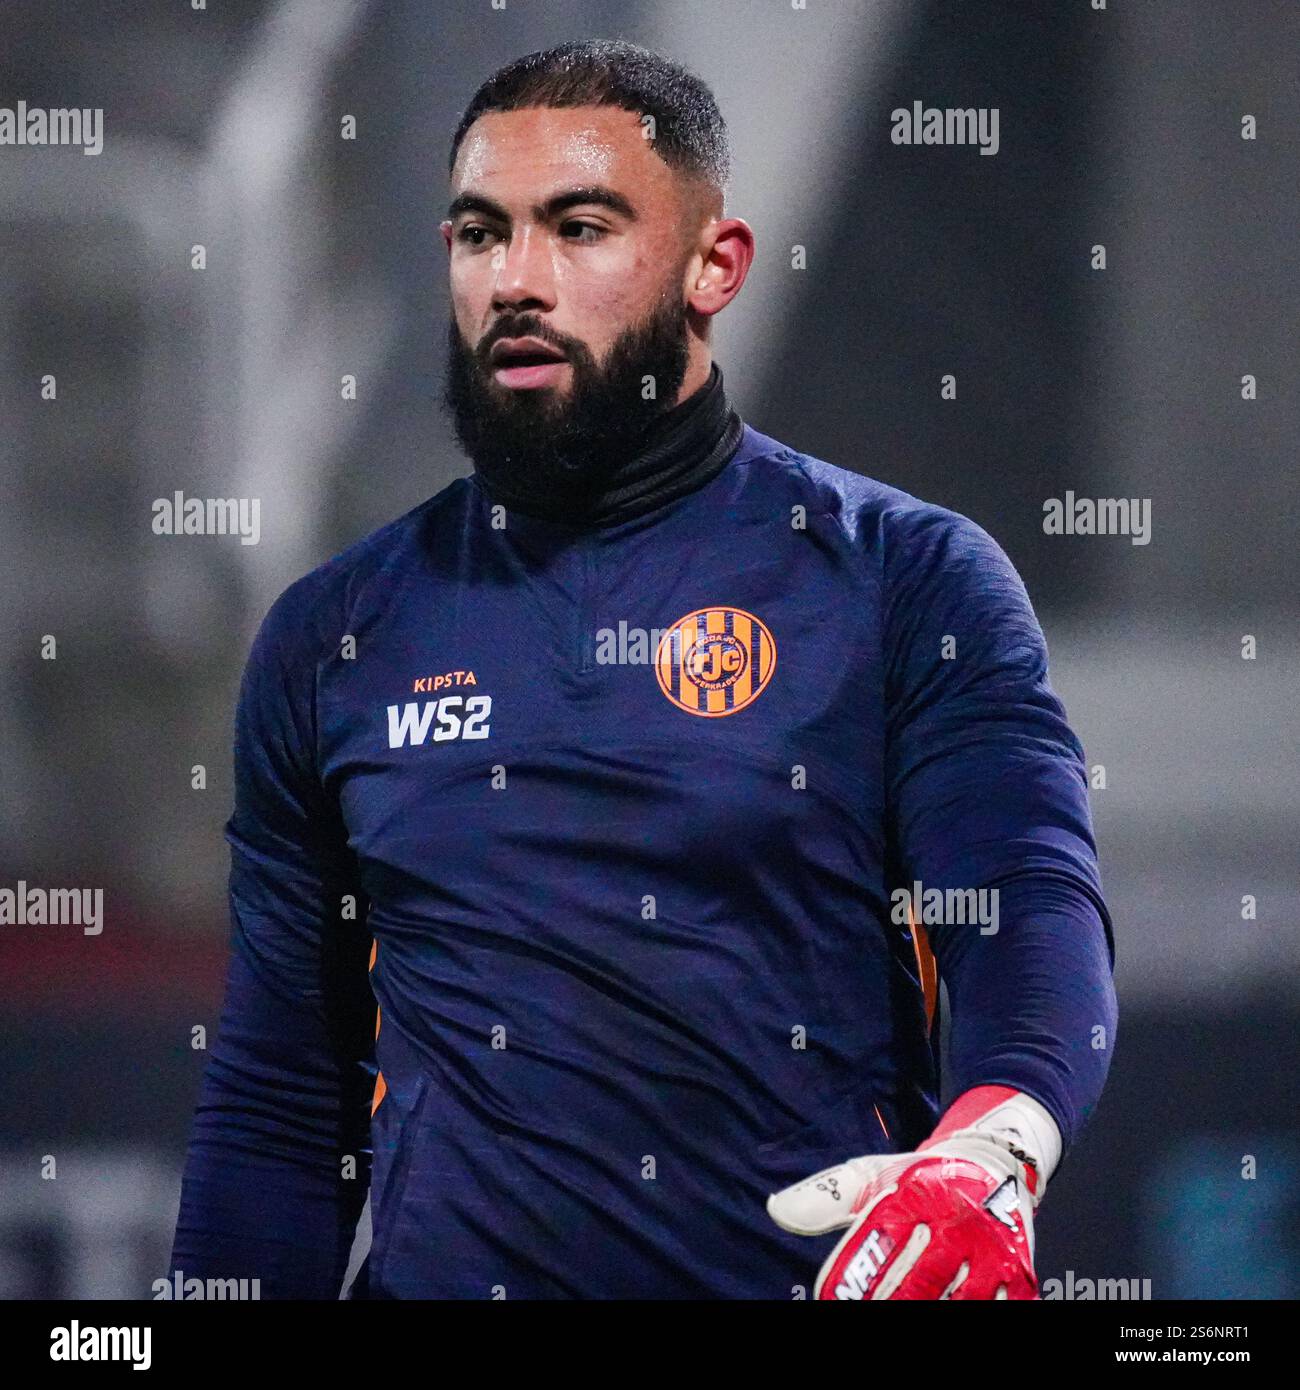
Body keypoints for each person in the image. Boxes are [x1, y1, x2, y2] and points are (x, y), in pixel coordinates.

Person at [171, 38, 1116, 1300]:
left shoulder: (906, 578)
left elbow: (1023, 904)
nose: (517, 279)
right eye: (478, 234)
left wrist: (996, 1143)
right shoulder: (335, 632)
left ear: (711, 266)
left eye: (579, 226)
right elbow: (283, 1093)